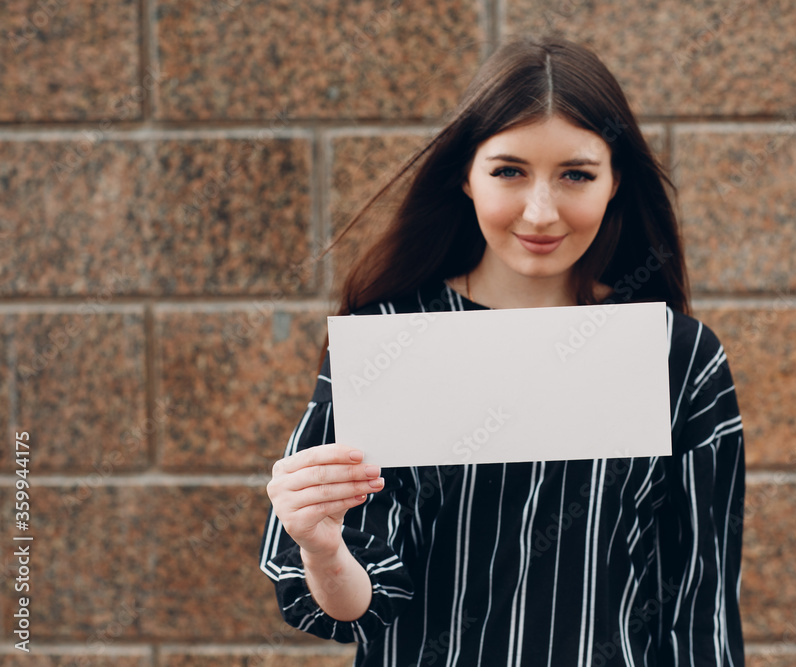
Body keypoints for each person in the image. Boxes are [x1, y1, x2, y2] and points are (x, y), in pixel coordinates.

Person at [259, 34, 746, 666]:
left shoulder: (676, 360)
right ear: (466, 174)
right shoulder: (392, 340)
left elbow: (698, 611)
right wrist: (322, 548)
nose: (540, 212)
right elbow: (359, 607)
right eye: (509, 171)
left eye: (575, 174)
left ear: (615, 181)